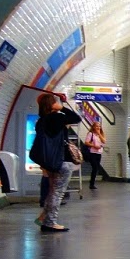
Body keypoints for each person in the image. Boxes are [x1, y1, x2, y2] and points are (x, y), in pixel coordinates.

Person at [33, 92, 82, 232]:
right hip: (62, 161)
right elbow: (76, 118)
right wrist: (62, 107)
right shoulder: (56, 117)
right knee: (57, 193)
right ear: (52, 104)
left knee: (52, 192)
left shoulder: (41, 121)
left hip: (50, 161)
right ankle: (50, 222)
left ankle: (44, 218)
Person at [83, 119, 108, 188]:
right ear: (93, 127)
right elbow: (86, 142)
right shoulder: (90, 134)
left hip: (99, 153)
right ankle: (92, 184)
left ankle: (92, 183)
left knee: (96, 168)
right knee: (95, 167)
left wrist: (99, 134)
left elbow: (104, 141)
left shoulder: (101, 134)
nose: (98, 127)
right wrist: (94, 146)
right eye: (97, 126)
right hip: (92, 153)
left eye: (99, 126)